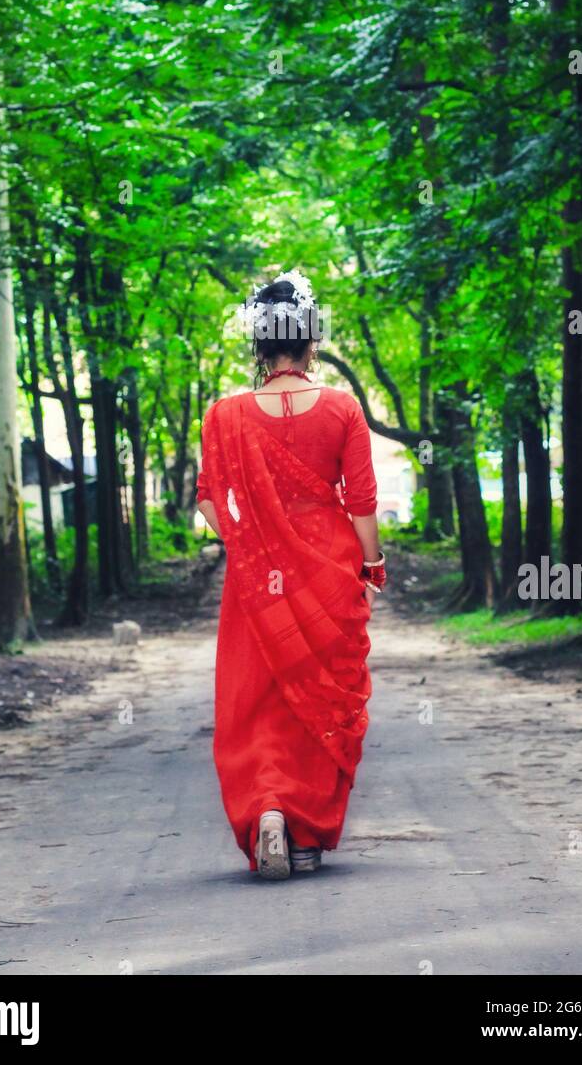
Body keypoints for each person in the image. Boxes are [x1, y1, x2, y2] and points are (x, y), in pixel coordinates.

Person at [196, 270, 386, 880]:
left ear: (259, 347)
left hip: (258, 580)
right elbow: (360, 501)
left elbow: (207, 501)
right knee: (319, 696)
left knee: (260, 700)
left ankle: (268, 810)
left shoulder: (224, 414)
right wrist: (373, 564)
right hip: (328, 568)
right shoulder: (342, 408)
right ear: (310, 345)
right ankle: (304, 835)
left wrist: (251, 543)